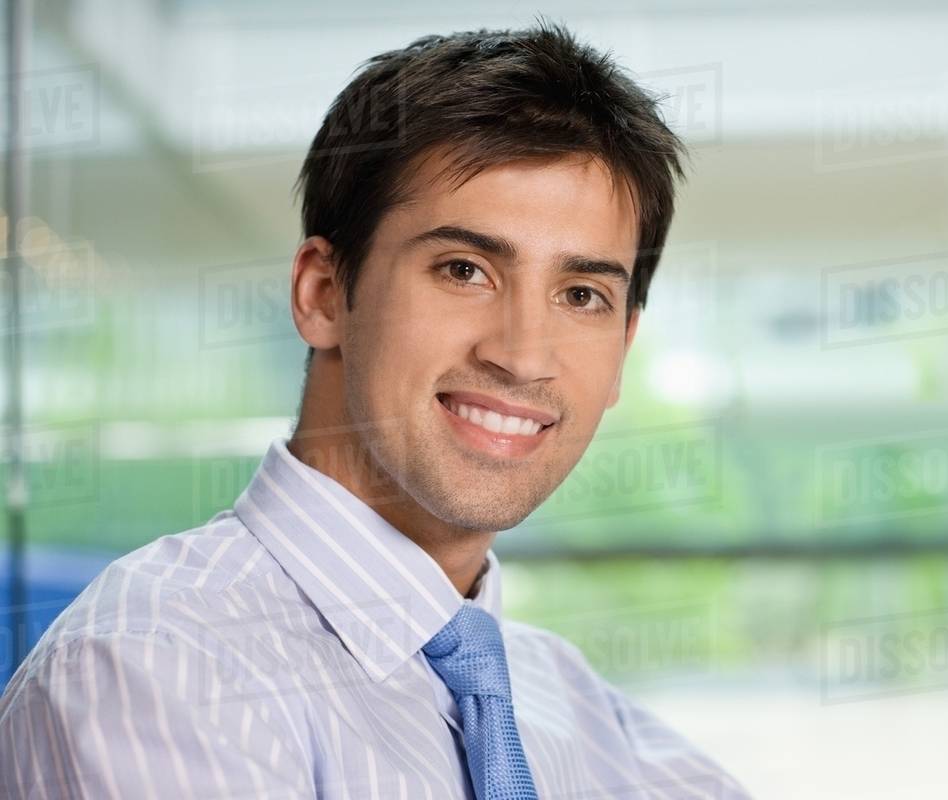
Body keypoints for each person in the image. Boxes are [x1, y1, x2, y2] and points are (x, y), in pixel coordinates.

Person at [0, 20, 751, 800]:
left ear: (624, 345)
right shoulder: (157, 671)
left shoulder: (587, 720)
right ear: (323, 294)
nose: (524, 355)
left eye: (582, 295)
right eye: (464, 270)